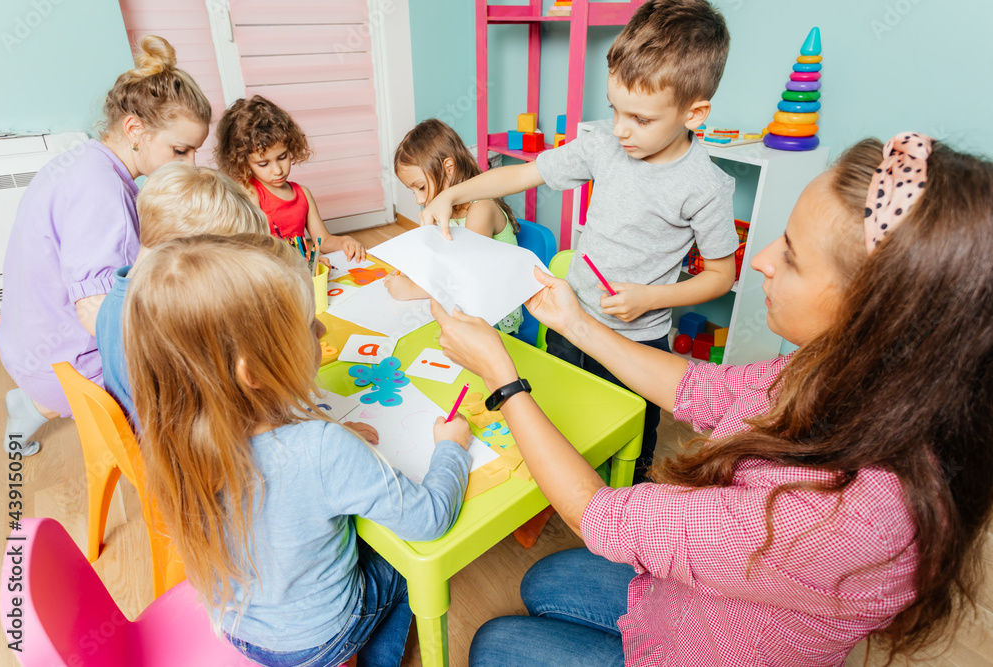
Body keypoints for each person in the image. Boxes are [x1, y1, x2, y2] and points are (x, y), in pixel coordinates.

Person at [430, 134, 993, 666]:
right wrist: (578, 324)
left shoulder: (850, 513)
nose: (764, 259)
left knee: (495, 643)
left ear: (877, 312)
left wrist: (503, 381)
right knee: (543, 581)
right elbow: (702, 388)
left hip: (708, 649)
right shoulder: (843, 371)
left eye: (792, 255)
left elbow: (603, 516)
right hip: (692, 601)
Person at [420, 0, 740, 479]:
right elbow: (526, 173)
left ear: (694, 114)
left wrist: (652, 297)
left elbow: (721, 275)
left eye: (641, 119)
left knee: (629, 439)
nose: (620, 130)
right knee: (564, 416)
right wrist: (455, 193)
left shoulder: (707, 186)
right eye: (615, 109)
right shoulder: (603, 145)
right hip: (570, 320)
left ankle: (622, 506)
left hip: (639, 342)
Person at [123, 234, 472, 667]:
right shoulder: (322, 450)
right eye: (309, 324)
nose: (322, 330)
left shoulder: (175, 438)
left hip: (240, 629)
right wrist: (451, 450)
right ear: (252, 373)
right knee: (405, 566)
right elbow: (430, 519)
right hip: (318, 639)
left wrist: (326, 440)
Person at [0, 35, 211, 456]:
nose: (190, 165)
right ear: (135, 129)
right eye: (180, 150)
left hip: (27, 348)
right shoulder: (102, 190)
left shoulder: (84, 161)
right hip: (68, 369)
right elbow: (99, 314)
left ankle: (33, 402)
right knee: (199, 381)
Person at [95, 162, 267, 427]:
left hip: (148, 433)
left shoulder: (118, 295)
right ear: (184, 255)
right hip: (180, 454)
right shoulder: (163, 320)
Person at [384, 118, 524, 334]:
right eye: (412, 191)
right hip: (459, 304)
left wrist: (413, 289)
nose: (419, 200)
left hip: (493, 316)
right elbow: (438, 258)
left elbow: (465, 275)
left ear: (448, 168)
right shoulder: (437, 208)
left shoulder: (481, 208)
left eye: (420, 187)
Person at [214, 95, 366, 263]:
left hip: (300, 272)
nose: (277, 170)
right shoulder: (250, 193)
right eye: (263, 164)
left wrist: (344, 241)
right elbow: (253, 250)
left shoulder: (303, 194)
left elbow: (323, 240)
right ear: (244, 162)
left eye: (282, 157)